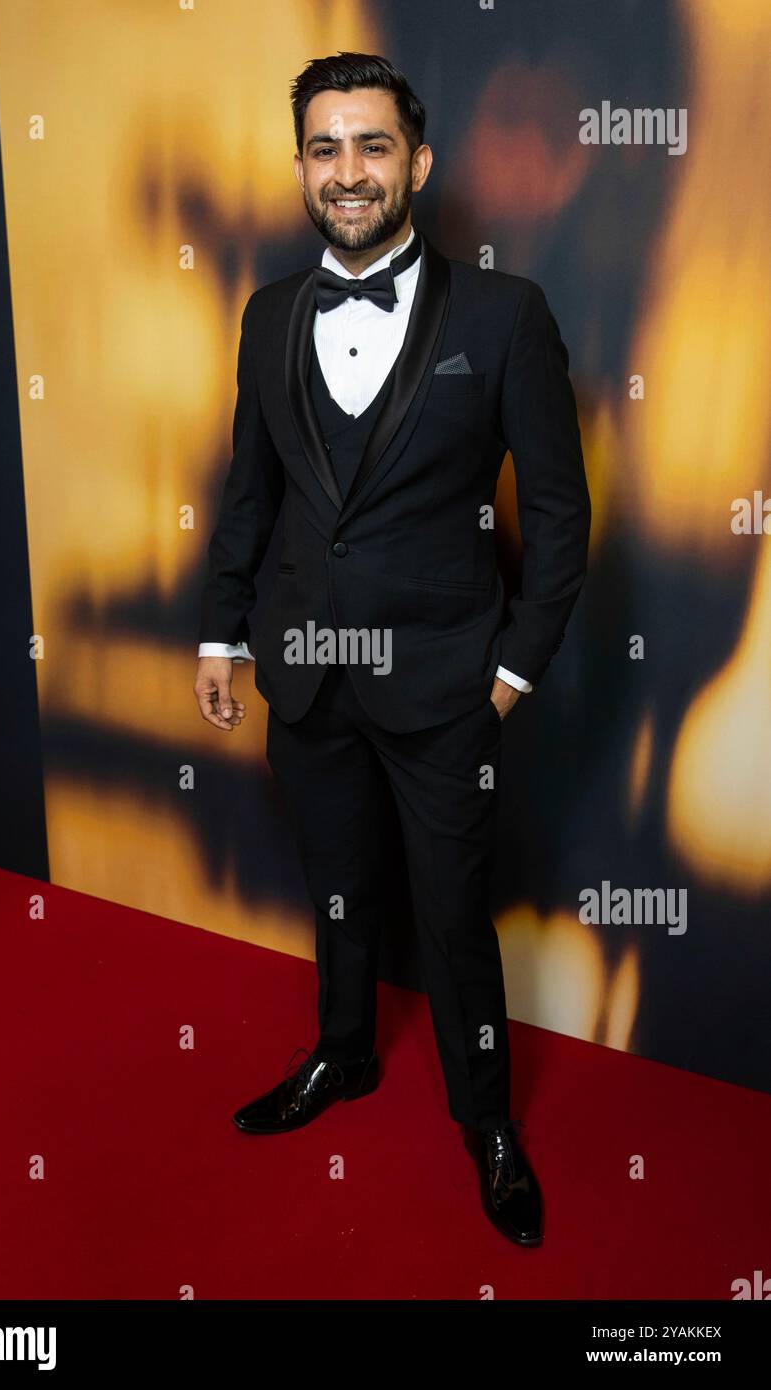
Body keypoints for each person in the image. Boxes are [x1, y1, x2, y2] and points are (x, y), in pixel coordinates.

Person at [195, 51, 591, 1247]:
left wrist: (511, 671)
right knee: (337, 893)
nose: (348, 171)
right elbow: (248, 493)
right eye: (325, 148)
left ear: (415, 163)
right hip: (305, 674)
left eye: (371, 146)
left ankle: (487, 1127)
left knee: (453, 915)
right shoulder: (269, 316)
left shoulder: (504, 314)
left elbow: (561, 514)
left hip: (442, 688)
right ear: (302, 166)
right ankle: (343, 1054)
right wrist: (220, 631)